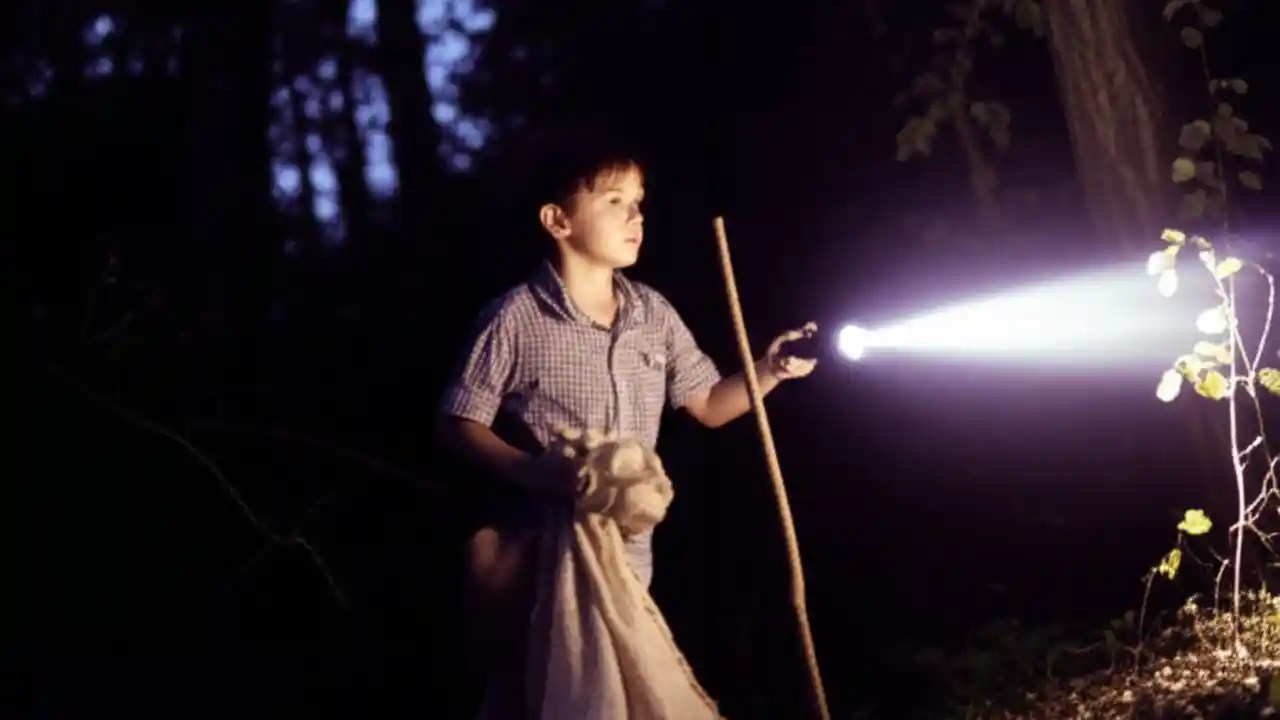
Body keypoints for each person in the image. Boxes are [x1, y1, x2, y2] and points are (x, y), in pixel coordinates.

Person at [435, 127, 817, 717]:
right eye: (614, 201)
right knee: (546, 698)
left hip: (631, 561)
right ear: (558, 220)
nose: (635, 214)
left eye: (638, 202)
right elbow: (459, 423)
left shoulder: (652, 315)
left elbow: (709, 404)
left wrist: (769, 369)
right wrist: (534, 473)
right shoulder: (516, 318)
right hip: (547, 559)